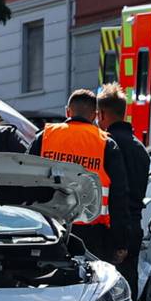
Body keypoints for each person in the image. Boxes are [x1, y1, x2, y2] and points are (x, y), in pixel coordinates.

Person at [30, 89, 125, 261]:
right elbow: (119, 196)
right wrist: (119, 241)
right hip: (93, 234)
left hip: (48, 228)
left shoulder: (44, 138)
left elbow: (25, 182)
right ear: (95, 115)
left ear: (68, 111)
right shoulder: (106, 144)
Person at [97, 84, 149, 301]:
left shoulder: (102, 145)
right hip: (133, 229)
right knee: (128, 292)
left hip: (109, 231)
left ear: (101, 114)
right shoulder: (141, 149)